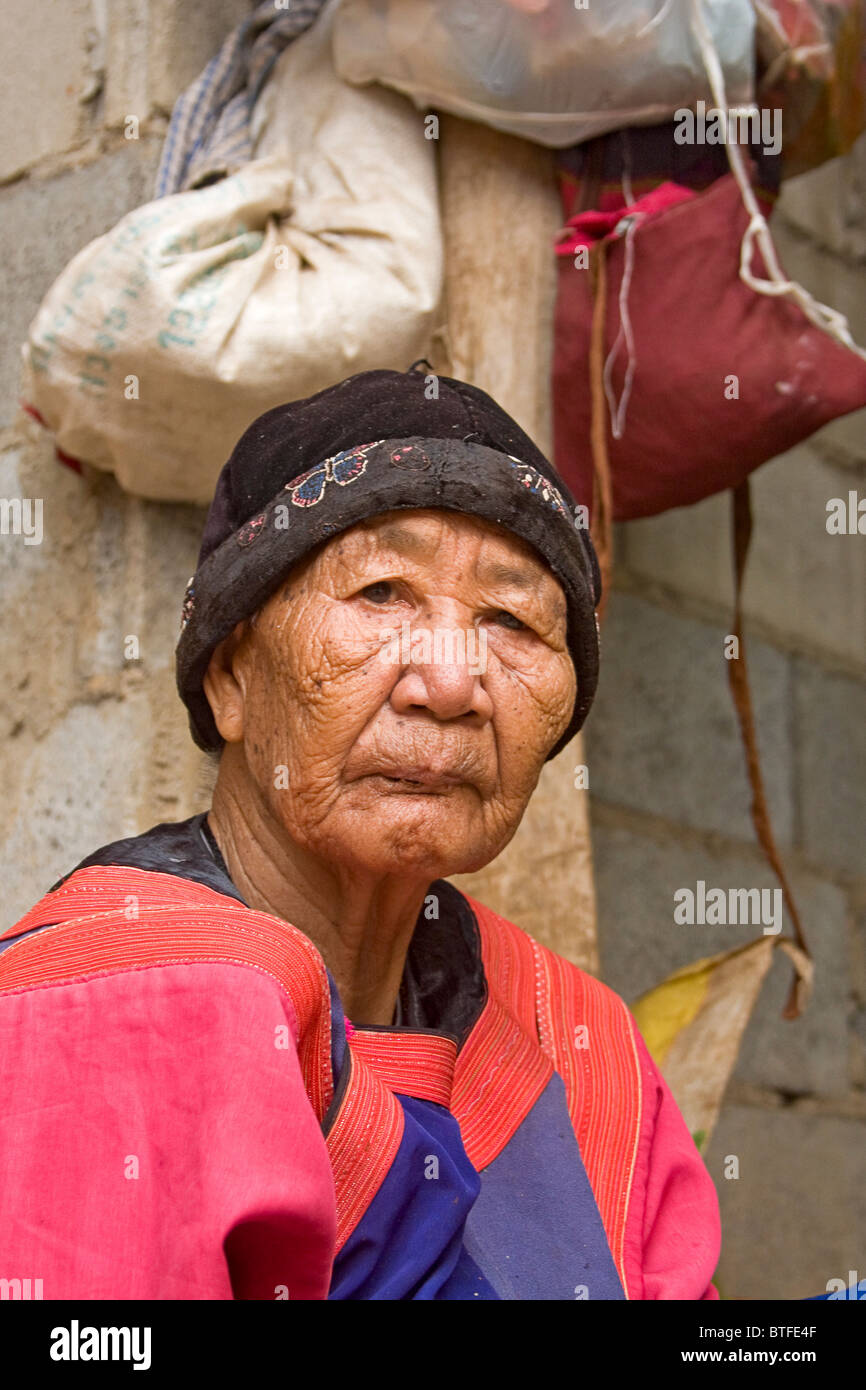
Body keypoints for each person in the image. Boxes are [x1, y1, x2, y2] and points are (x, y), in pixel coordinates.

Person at [0, 366, 720, 1300]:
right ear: (231, 679)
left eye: (512, 621)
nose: (455, 683)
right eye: (381, 592)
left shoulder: (582, 1039)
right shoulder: (116, 1000)